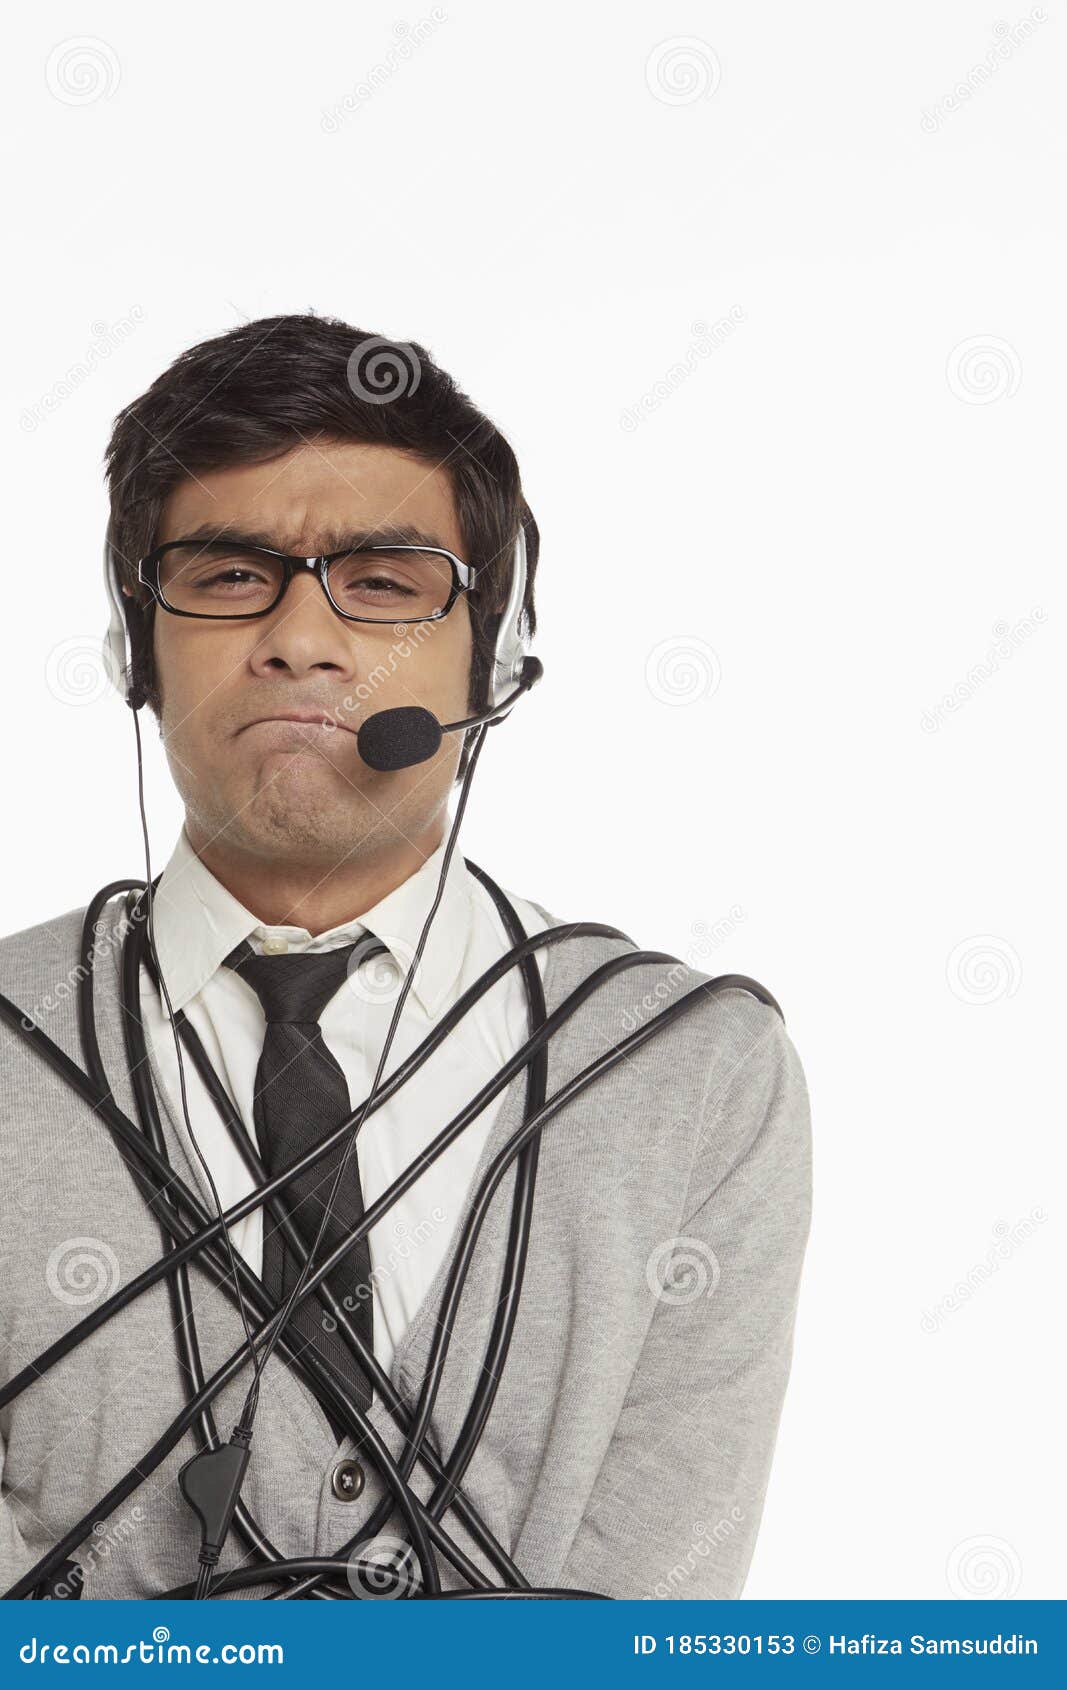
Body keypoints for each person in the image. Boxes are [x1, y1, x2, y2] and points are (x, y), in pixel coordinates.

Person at [0, 312, 812, 1601]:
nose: (301, 639)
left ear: (491, 654)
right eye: (224, 577)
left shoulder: (692, 1073)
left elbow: (655, 1615)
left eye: (383, 583)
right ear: (132, 651)